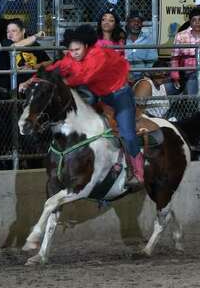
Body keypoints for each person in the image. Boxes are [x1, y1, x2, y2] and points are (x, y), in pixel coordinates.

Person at [44, 23, 144, 182]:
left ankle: (138, 166)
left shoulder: (98, 55)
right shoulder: (72, 57)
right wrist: (37, 79)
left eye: (77, 50)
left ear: (85, 46)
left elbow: (84, 77)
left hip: (120, 95)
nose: (74, 54)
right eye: (71, 50)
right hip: (102, 96)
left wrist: (61, 81)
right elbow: (57, 67)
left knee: (127, 134)